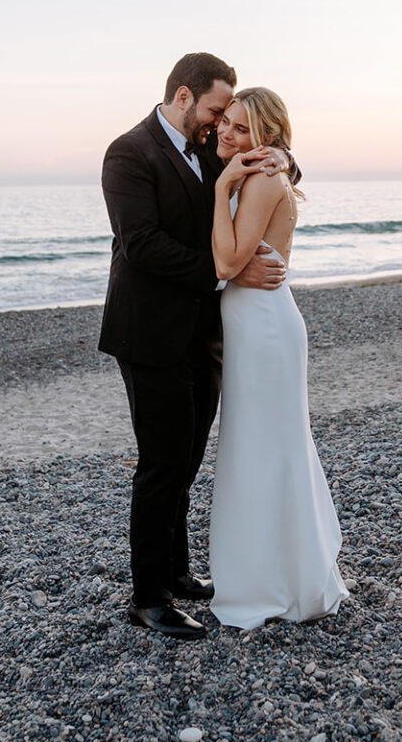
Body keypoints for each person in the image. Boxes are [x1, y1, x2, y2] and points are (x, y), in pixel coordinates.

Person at [99, 53, 292, 641]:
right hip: (149, 332)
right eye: (214, 110)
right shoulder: (129, 153)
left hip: (201, 335)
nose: (218, 124)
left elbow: (259, 164)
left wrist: (286, 157)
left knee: (186, 457)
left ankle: (178, 571)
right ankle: (148, 596)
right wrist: (224, 272)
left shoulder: (206, 146)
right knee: (161, 464)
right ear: (184, 97)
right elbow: (141, 244)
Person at [207, 87, 348, 630]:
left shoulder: (260, 178)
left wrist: (222, 189)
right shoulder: (265, 170)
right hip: (254, 324)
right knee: (258, 446)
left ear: (267, 140)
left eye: (242, 129)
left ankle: (277, 583)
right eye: (227, 124)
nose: (227, 134)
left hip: (264, 327)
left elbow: (226, 259)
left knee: (265, 448)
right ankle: (276, 572)